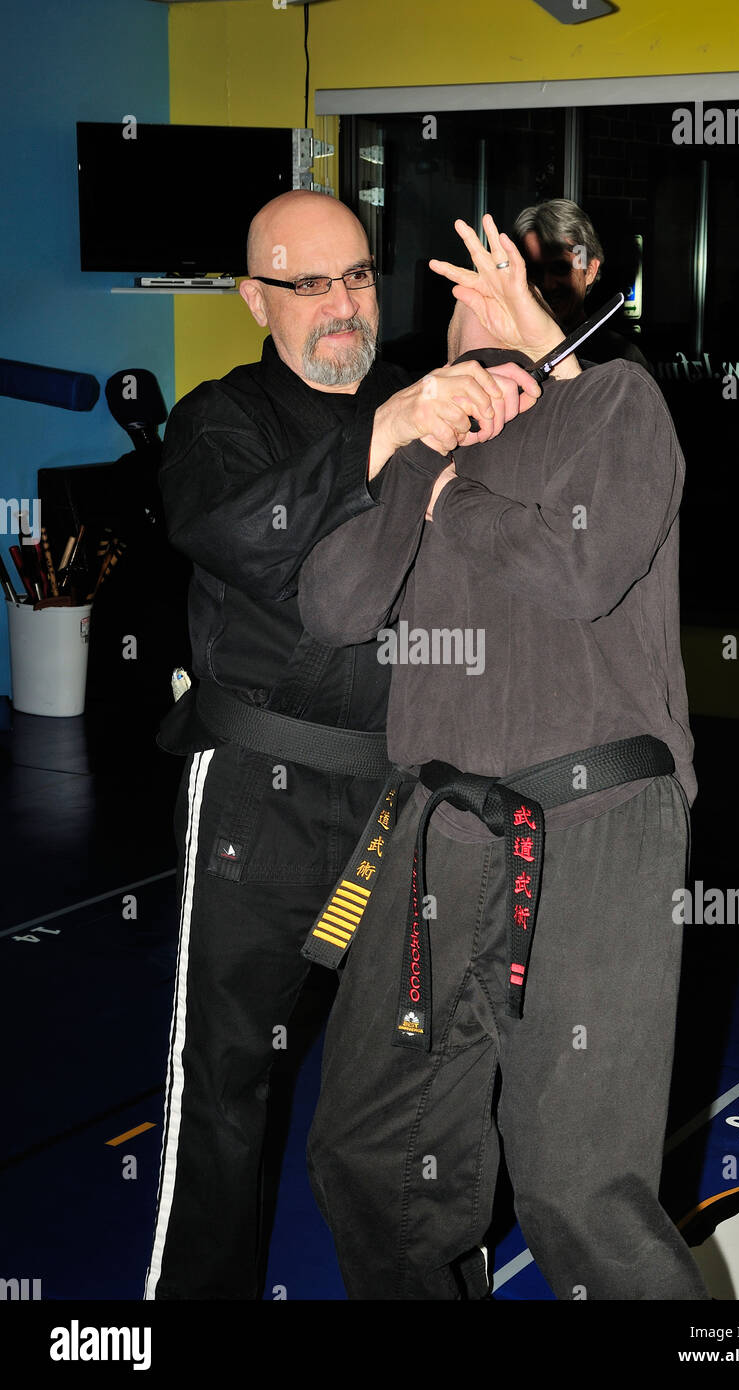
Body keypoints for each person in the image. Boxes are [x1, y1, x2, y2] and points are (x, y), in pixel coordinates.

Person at [299, 214, 709, 1301]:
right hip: (434, 837)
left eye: (503, 290)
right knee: (368, 1153)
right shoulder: (422, 451)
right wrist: (403, 447)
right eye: (458, 292)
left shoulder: (614, 405)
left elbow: (580, 566)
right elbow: (334, 607)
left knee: (580, 1193)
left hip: (593, 830)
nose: (472, 307)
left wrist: (522, 388)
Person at [144, 190, 538, 1300]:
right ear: (254, 297)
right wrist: (397, 424)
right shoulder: (219, 420)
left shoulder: (427, 402)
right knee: (224, 1084)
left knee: (411, 1085)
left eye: (356, 276)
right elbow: (234, 534)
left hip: (403, 803)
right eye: (307, 282)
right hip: (256, 808)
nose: (339, 304)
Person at [513, 197, 652, 372]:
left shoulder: (621, 360)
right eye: (534, 271)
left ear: (590, 271)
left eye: (560, 268)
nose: (547, 284)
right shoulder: (505, 349)